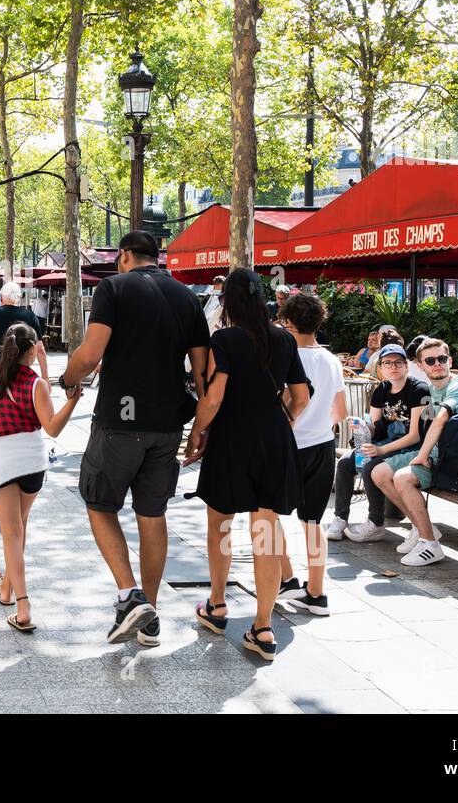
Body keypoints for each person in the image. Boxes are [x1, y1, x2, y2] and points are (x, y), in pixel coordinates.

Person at [64, 231, 210, 647]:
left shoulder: (113, 288)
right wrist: (201, 425)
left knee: (98, 502)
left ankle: (130, 595)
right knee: (152, 514)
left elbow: (90, 355)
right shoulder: (186, 297)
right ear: (157, 256)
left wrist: (69, 378)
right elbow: (202, 371)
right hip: (169, 425)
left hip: (118, 421)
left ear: (125, 255)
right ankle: (150, 617)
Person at [183, 268, 308, 661]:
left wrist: (197, 432)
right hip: (273, 440)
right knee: (266, 532)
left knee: (220, 522)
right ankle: (263, 627)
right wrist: (281, 422)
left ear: (228, 302)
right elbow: (301, 397)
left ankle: (217, 606)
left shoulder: (225, 339)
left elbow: (214, 397)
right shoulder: (283, 339)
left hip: (231, 439)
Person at [0, 323, 83, 632]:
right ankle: (5, 588)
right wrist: (73, 401)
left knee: (12, 533)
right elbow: (52, 428)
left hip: (2, 462)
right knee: (19, 528)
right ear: (32, 350)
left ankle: (22, 606)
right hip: (32, 463)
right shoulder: (37, 385)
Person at [368, 338, 458, 566]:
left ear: (450, 360)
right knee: (379, 473)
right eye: (430, 360)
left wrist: (421, 457)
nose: (437, 364)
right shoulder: (430, 389)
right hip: (439, 455)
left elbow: (440, 419)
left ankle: (430, 544)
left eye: (442, 359)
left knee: (403, 477)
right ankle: (420, 528)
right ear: (420, 366)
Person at [275, 293, 346, 617]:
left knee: (266, 518)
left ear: (287, 322)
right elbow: (341, 411)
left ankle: (283, 577)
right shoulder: (332, 361)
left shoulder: (285, 355)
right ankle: (316, 593)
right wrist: (318, 425)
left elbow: (286, 400)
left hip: (287, 445)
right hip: (322, 445)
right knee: (313, 521)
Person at [333, 344, 429, 542]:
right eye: (387, 363)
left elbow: (415, 435)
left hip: (409, 446)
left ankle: (376, 522)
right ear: (381, 368)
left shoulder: (418, 389)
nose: (393, 367)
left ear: (406, 366)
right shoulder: (382, 389)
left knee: (370, 466)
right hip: (384, 442)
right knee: (344, 463)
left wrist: (380, 449)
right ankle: (340, 518)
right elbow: (374, 427)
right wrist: (361, 427)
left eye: (398, 362)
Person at [0, 282, 49, 392]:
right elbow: (40, 349)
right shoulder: (30, 316)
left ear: (1, 297)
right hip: (20, 373)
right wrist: (45, 377)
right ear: (19, 298)